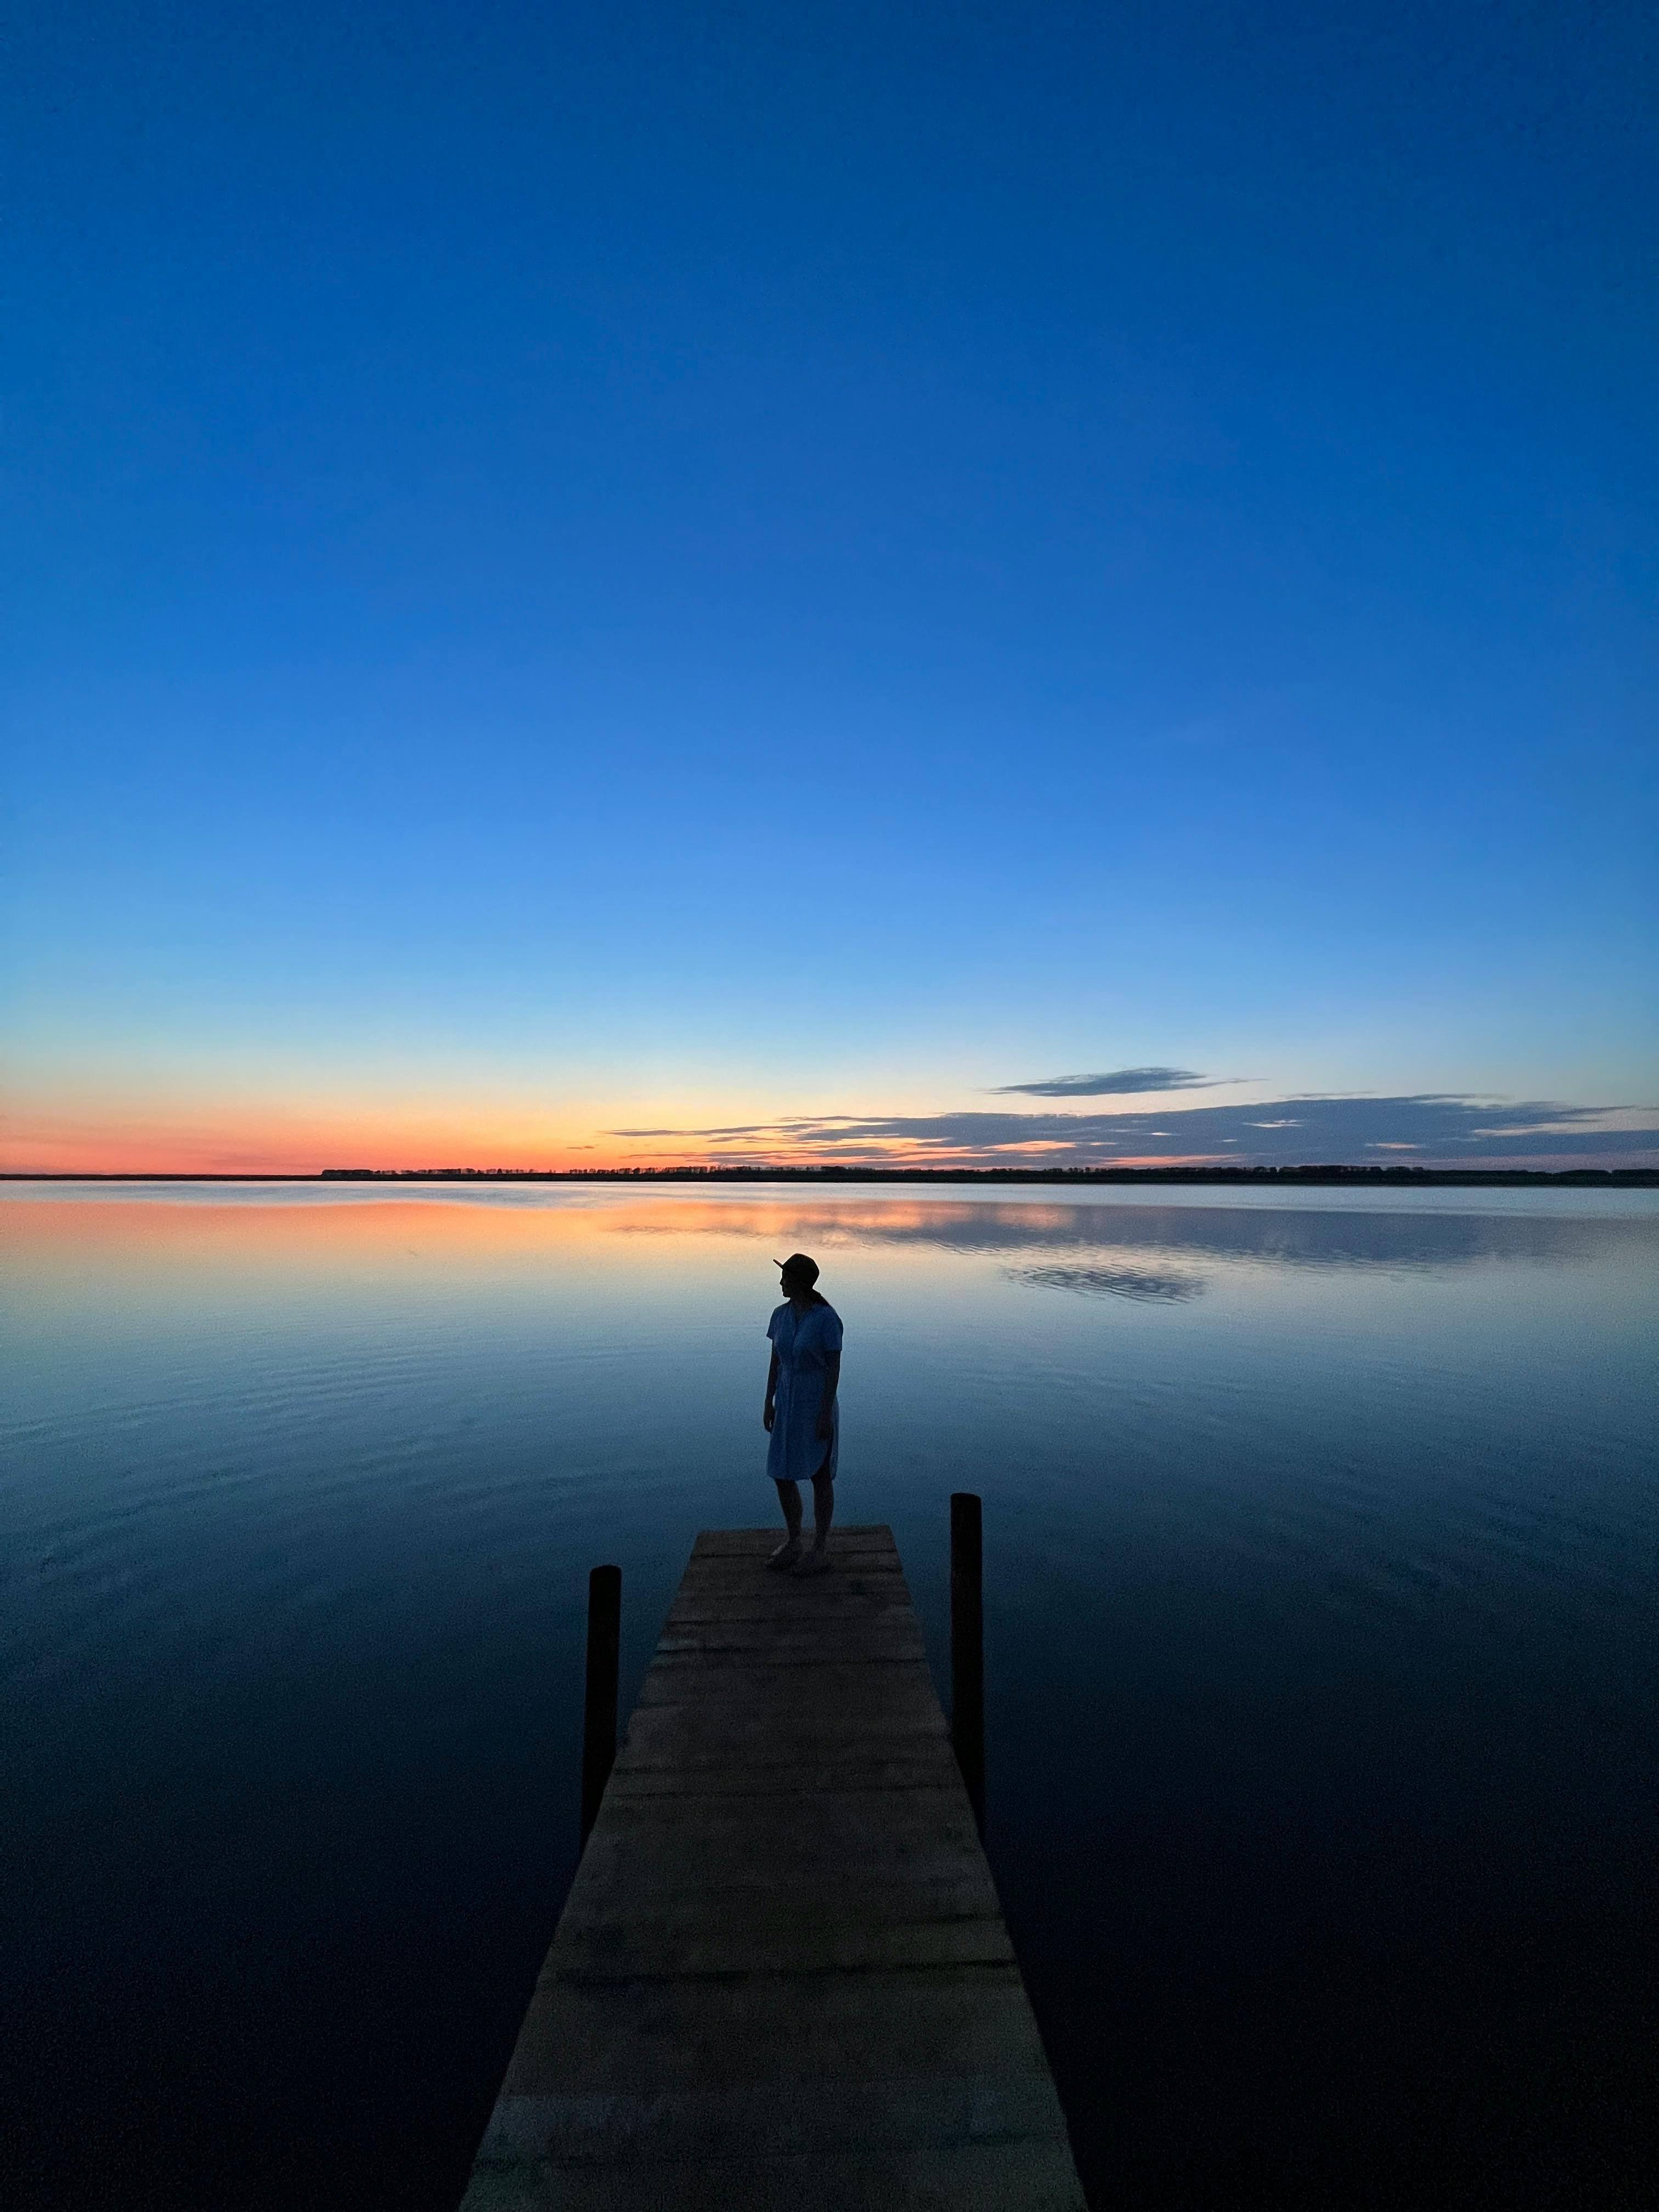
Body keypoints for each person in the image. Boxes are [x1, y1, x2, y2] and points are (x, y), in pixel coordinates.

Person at [762, 1252, 842, 1575]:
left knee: (820, 1475)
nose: (781, 1282)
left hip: (814, 1403)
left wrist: (824, 1414)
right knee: (781, 1472)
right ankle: (794, 1540)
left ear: (799, 1281)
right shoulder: (780, 1316)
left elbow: (834, 1369)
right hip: (787, 1402)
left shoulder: (826, 1319)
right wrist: (768, 1402)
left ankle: (820, 1547)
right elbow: (775, 1361)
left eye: (785, 1277)